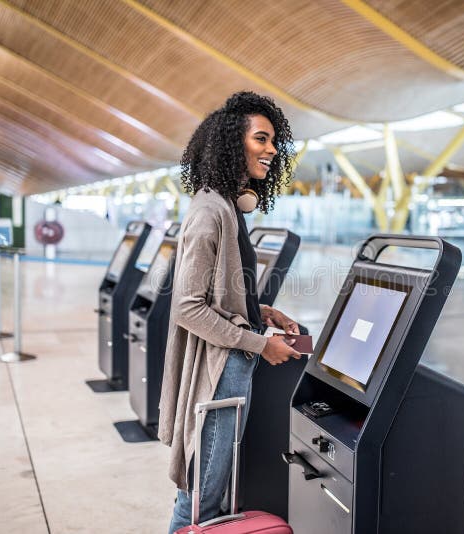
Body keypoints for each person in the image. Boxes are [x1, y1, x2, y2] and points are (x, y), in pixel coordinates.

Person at [158, 92, 302, 533]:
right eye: (262, 138)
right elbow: (187, 306)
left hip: (230, 368)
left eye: (274, 140)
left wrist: (260, 311)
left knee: (212, 492)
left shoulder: (228, 208)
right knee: (201, 496)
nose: (272, 149)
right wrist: (260, 343)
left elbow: (216, 294)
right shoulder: (209, 213)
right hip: (219, 373)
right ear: (231, 143)